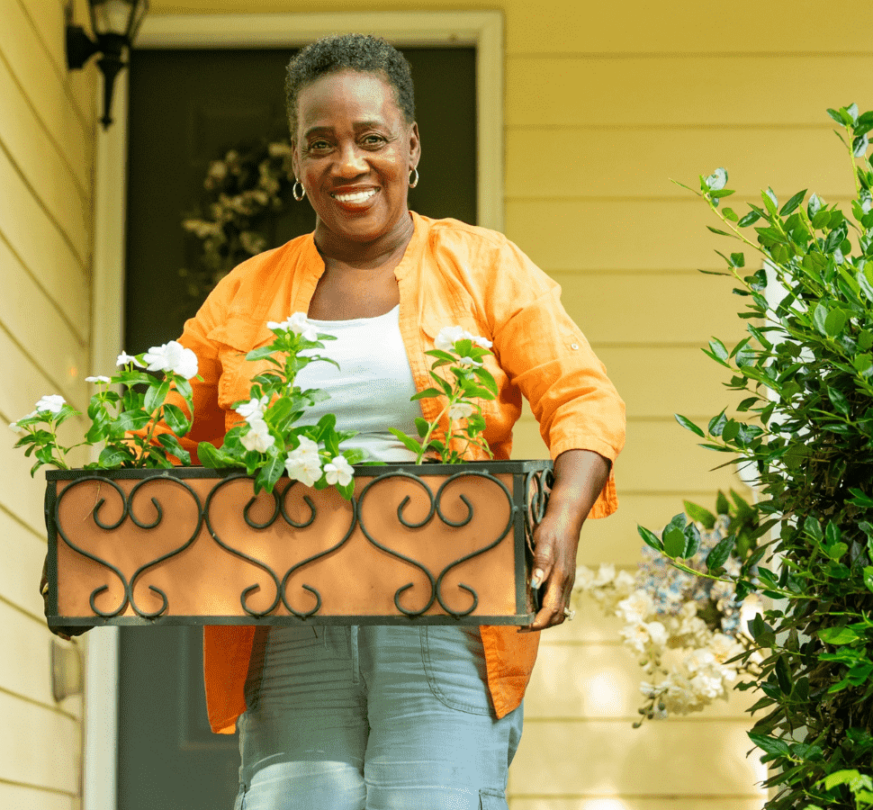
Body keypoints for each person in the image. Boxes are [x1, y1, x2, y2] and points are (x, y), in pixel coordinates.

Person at [170, 34, 626, 810]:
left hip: (447, 613)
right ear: (296, 162)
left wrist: (564, 518)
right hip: (290, 621)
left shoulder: (483, 266)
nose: (347, 162)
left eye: (371, 138)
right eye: (321, 143)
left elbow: (581, 397)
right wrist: (97, 552)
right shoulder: (247, 292)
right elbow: (159, 429)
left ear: (411, 147)